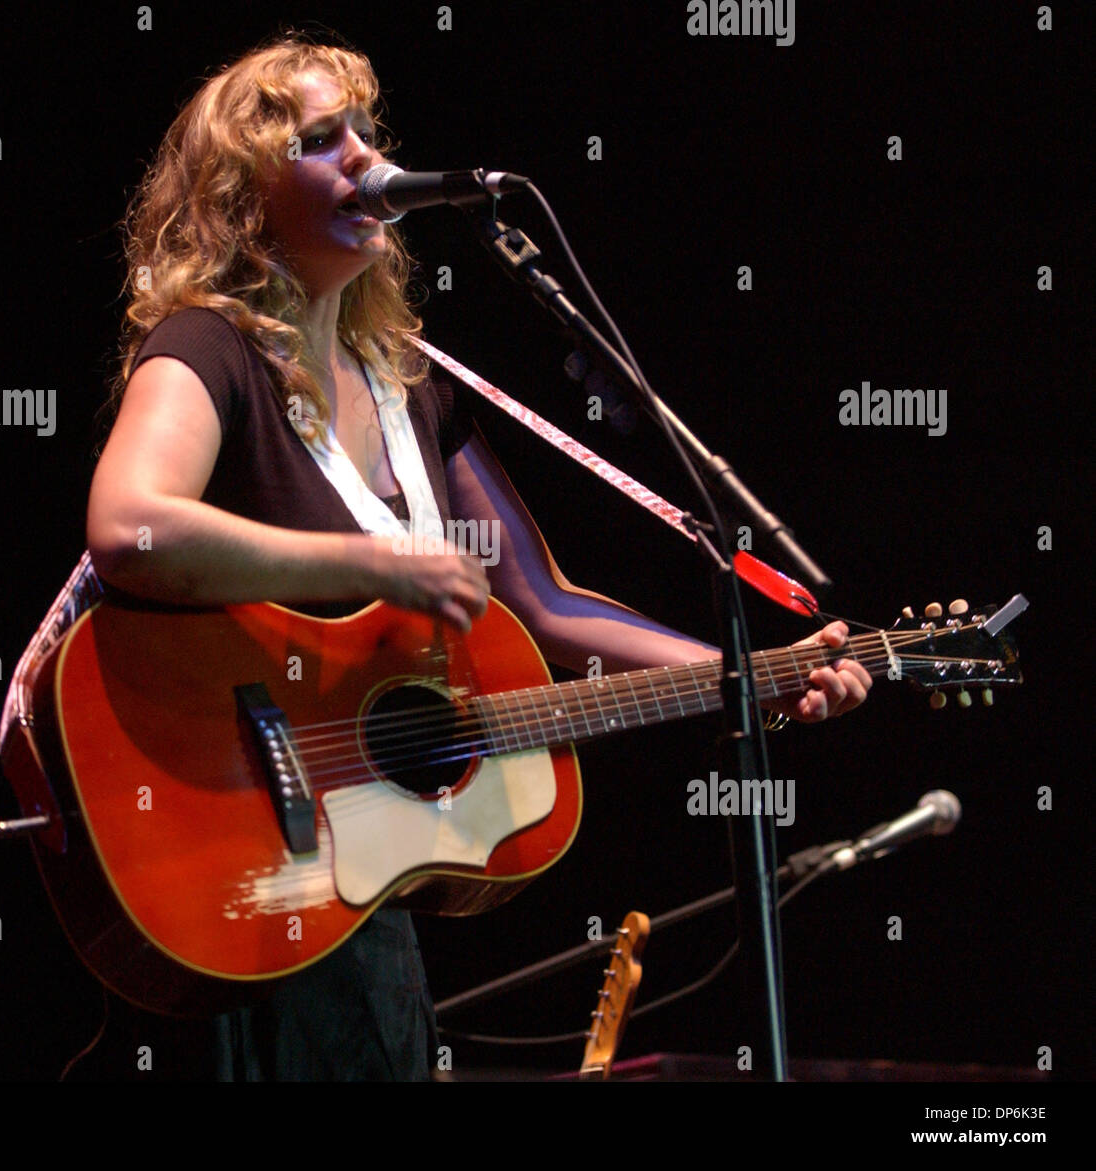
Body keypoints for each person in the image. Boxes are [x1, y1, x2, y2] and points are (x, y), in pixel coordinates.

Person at [85, 36, 872, 1080]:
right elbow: (131, 525)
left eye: (365, 132)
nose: (365, 160)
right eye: (321, 141)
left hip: (355, 901)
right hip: (221, 855)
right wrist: (374, 567)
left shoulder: (410, 383)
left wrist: (755, 677)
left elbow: (540, 604)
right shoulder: (208, 347)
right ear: (241, 197)